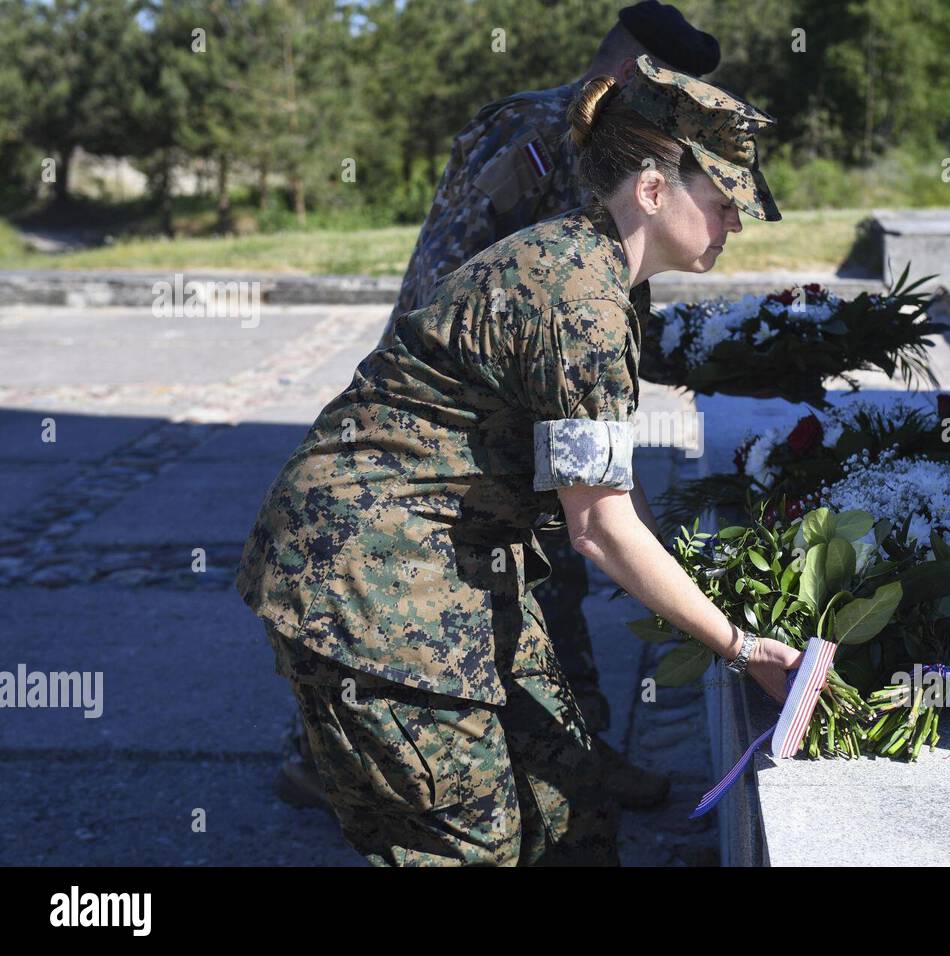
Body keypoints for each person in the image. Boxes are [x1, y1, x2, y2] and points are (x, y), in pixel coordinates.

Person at [237, 55, 800, 867]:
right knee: (473, 846)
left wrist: (702, 585)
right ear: (651, 189)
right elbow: (600, 531)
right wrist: (743, 649)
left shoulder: (595, 269)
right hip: (369, 579)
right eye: (722, 204)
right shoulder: (579, 299)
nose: (736, 226)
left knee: (570, 808)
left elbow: (607, 481)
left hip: (456, 560)